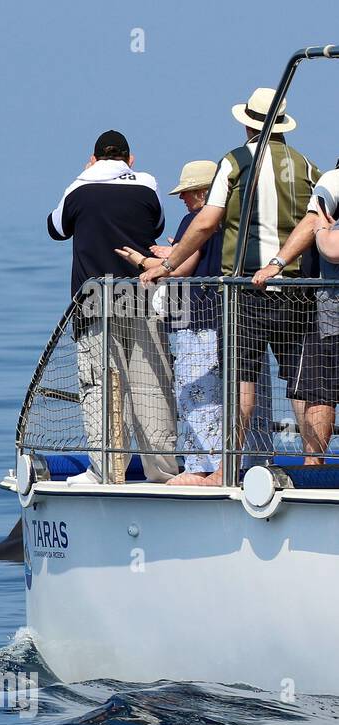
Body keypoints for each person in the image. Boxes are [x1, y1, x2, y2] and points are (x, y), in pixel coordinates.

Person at [140, 88, 319, 484]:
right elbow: (316, 222)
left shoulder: (235, 162)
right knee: (303, 386)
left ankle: (226, 469)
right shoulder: (307, 166)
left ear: (248, 124)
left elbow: (207, 222)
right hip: (297, 290)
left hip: (245, 290)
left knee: (241, 384)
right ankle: (313, 467)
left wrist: (168, 262)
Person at [48, 130, 176, 483]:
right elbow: (158, 224)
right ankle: (163, 471)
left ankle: (107, 470)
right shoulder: (147, 185)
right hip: (145, 295)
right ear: (130, 159)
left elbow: (56, 228)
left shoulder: (79, 187)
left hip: (95, 300)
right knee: (153, 386)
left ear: (93, 159)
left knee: (101, 385)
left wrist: (85, 175)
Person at [117, 160, 223, 482]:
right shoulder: (229, 223)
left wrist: (141, 261)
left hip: (198, 319)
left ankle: (201, 467)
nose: (182, 199)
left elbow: (181, 268)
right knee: (226, 394)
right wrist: (171, 251)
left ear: (202, 192)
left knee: (195, 393)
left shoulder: (196, 220)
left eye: (187, 192)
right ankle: (232, 462)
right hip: (225, 318)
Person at [253, 162, 339, 463]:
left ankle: (313, 464)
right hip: (327, 311)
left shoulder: (333, 179)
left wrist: (276, 263)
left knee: (318, 391)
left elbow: (328, 245)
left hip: (330, 313)